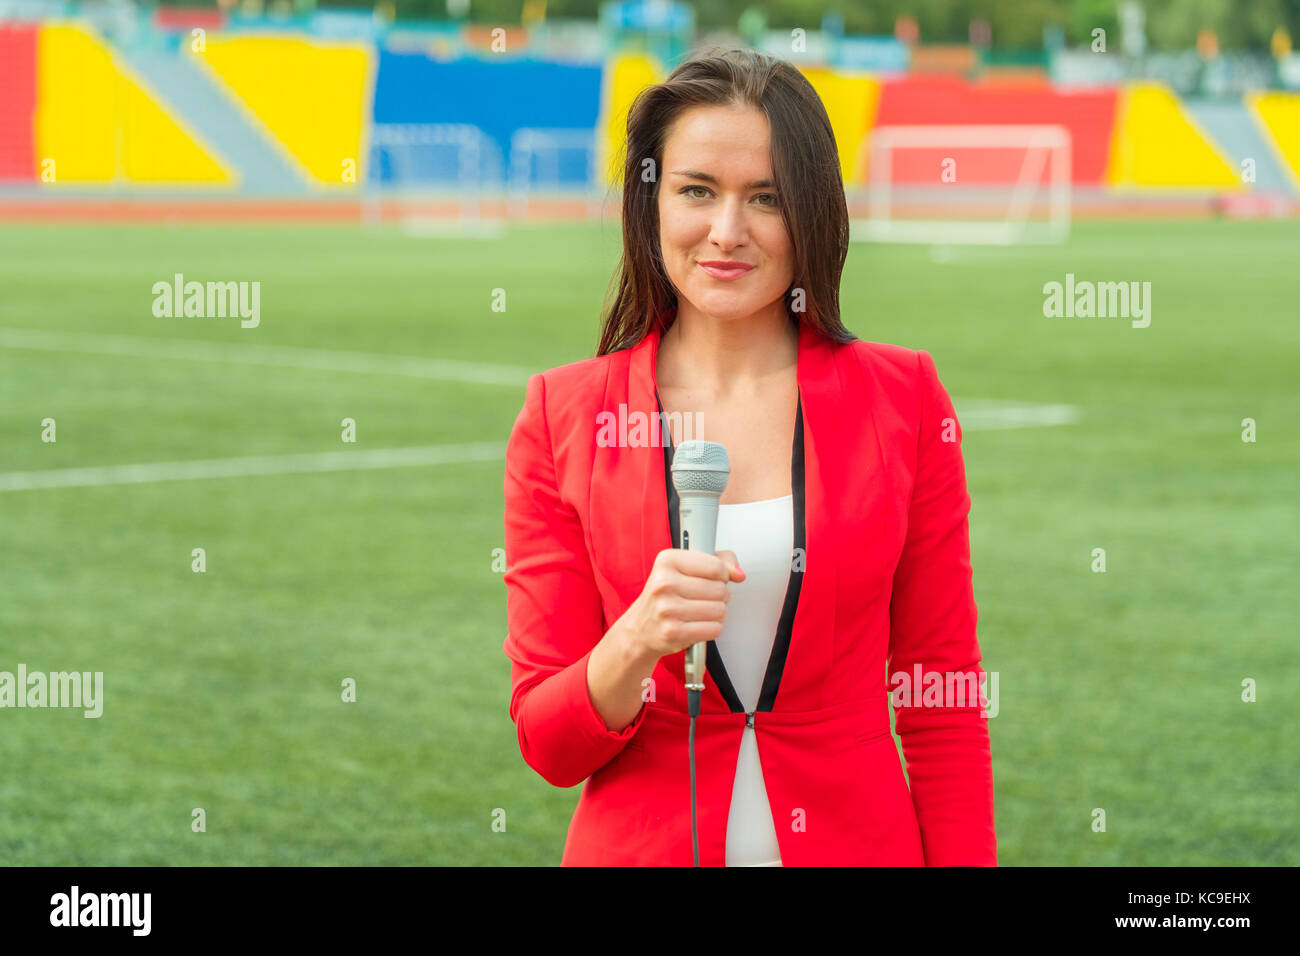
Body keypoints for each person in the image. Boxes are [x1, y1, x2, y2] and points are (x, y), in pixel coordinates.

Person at [502, 48, 996, 866]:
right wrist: (634, 642)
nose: (726, 231)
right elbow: (549, 747)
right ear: (652, 201)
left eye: (765, 198)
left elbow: (941, 702)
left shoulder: (902, 399)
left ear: (813, 212)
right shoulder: (563, 414)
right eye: (698, 190)